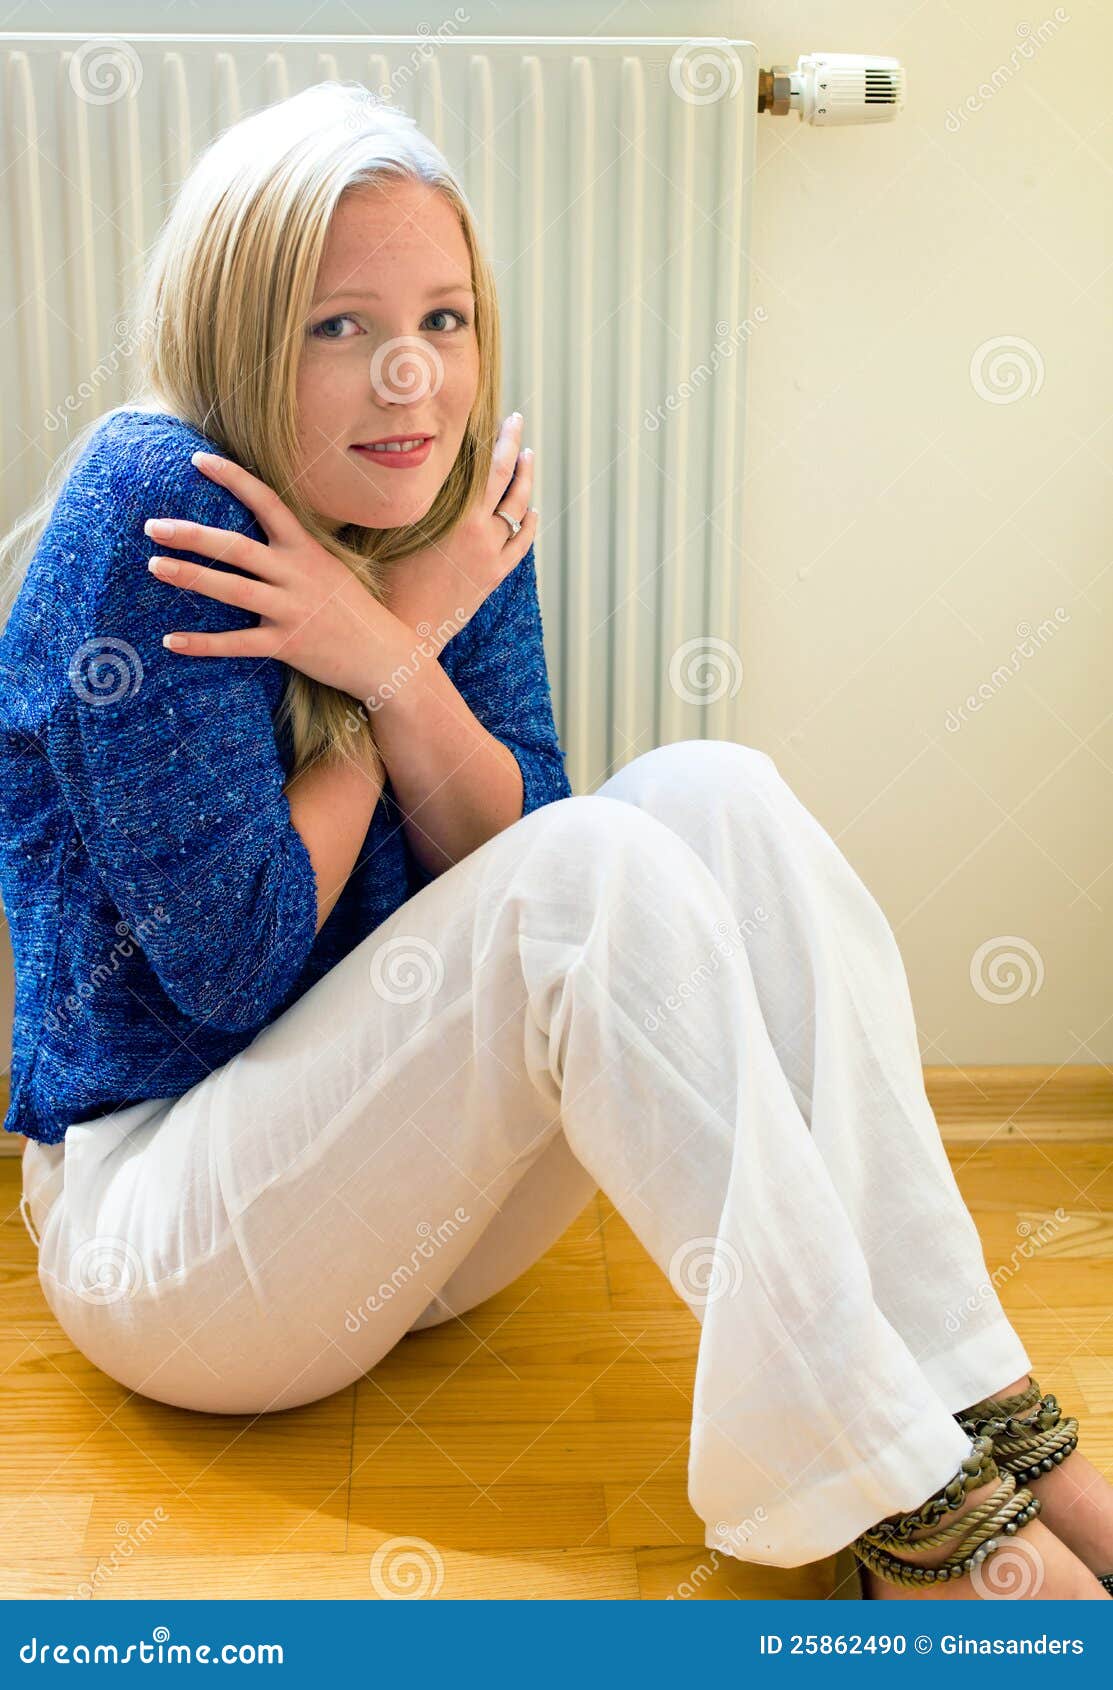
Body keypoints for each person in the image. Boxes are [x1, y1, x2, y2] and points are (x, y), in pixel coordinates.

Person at [1, 81, 1110, 1600]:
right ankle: (898, 1508)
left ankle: (979, 1404)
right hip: (173, 1239)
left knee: (708, 795)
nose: (410, 378)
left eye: (445, 319)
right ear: (239, 329)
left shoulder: (438, 499)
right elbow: (232, 963)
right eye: (339, 326)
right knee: (593, 866)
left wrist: (393, 651)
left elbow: (509, 847)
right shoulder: (158, 510)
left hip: (395, 1222)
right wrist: (396, 648)